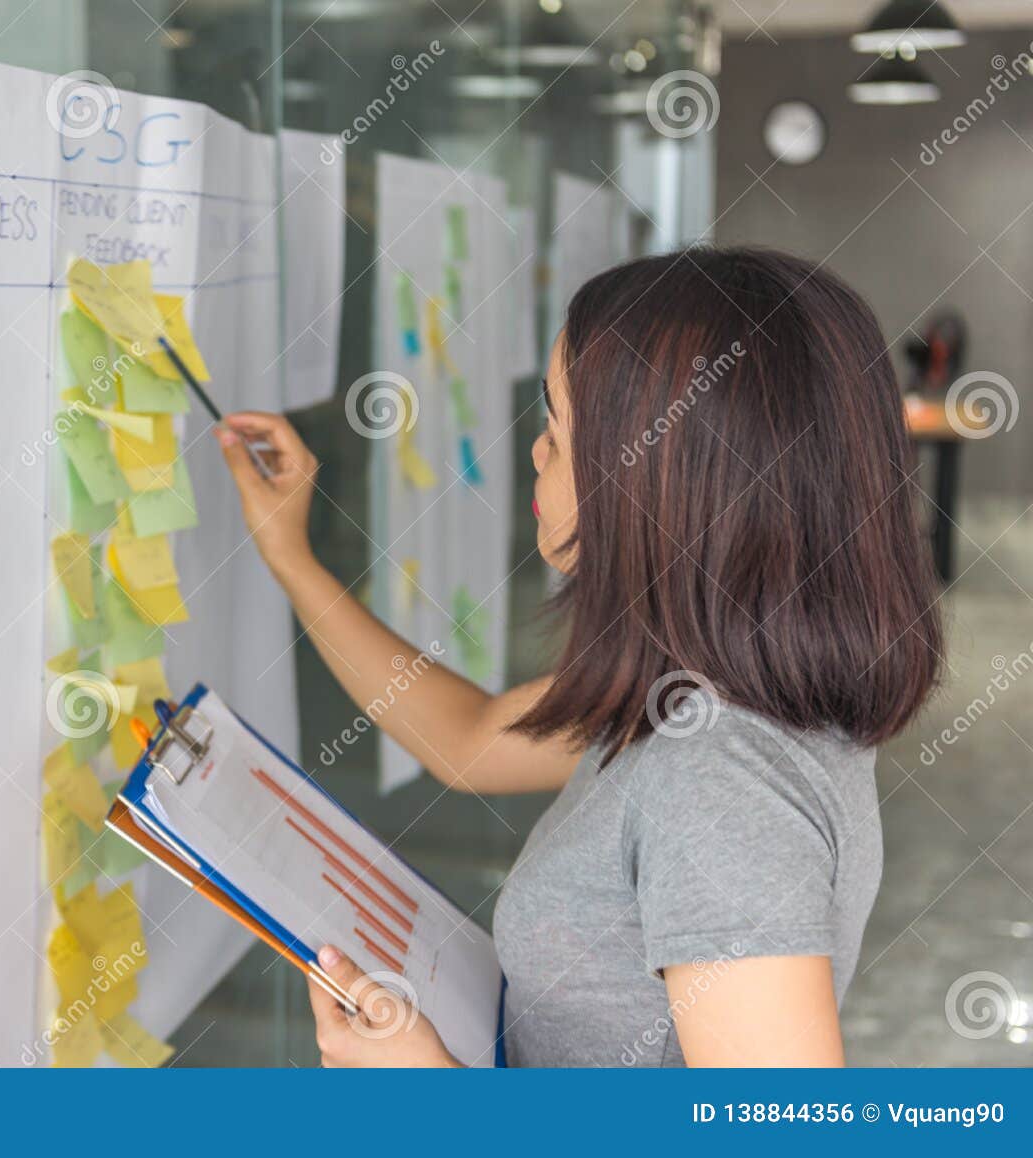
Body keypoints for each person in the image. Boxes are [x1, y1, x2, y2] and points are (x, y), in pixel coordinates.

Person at [215, 247, 943, 1067]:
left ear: (663, 485)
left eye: (558, 433)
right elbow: (471, 738)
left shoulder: (720, 781)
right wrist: (292, 558)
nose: (535, 453)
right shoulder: (705, 683)